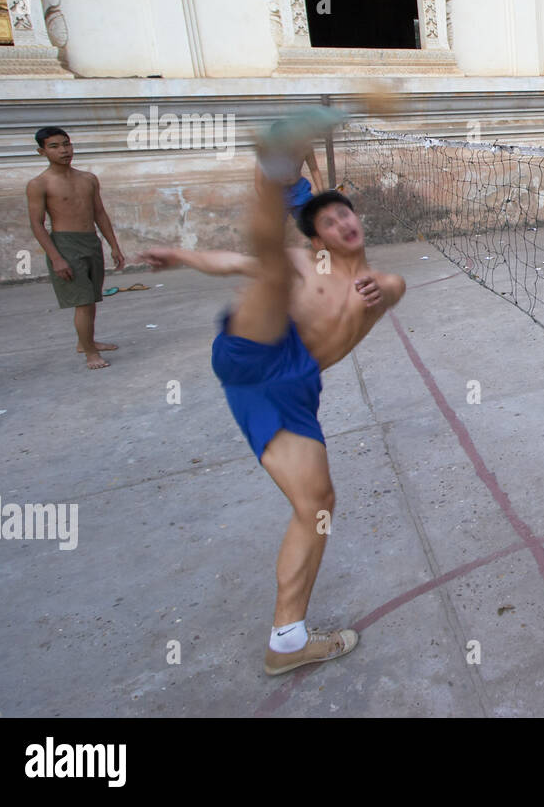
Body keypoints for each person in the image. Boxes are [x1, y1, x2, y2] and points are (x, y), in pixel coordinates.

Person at [139, 108, 406, 676]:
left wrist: (374, 286)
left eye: (346, 212)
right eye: (328, 219)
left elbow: (387, 286)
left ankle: (286, 641)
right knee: (271, 270)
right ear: (314, 235)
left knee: (316, 507)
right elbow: (229, 260)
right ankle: (275, 166)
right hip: (258, 345)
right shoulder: (296, 261)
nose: (341, 221)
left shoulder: (384, 281)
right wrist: (181, 255)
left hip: (293, 386)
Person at [26, 126, 126, 369]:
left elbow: (99, 213)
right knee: (82, 301)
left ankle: (86, 342)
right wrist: (56, 258)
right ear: (42, 151)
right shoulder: (39, 184)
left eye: (66, 144)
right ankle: (91, 355)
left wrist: (114, 245)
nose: (64, 150)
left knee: (90, 298)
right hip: (65, 244)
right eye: (55, 146)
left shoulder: (88, 179)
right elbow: (37, 225)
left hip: (91, 242)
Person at [254, 130, 324, 221]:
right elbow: (258, 184)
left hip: (299, 189)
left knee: (311, 221)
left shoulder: (305, 147)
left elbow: (314, 170)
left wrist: (322, 194)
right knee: (275, 228)